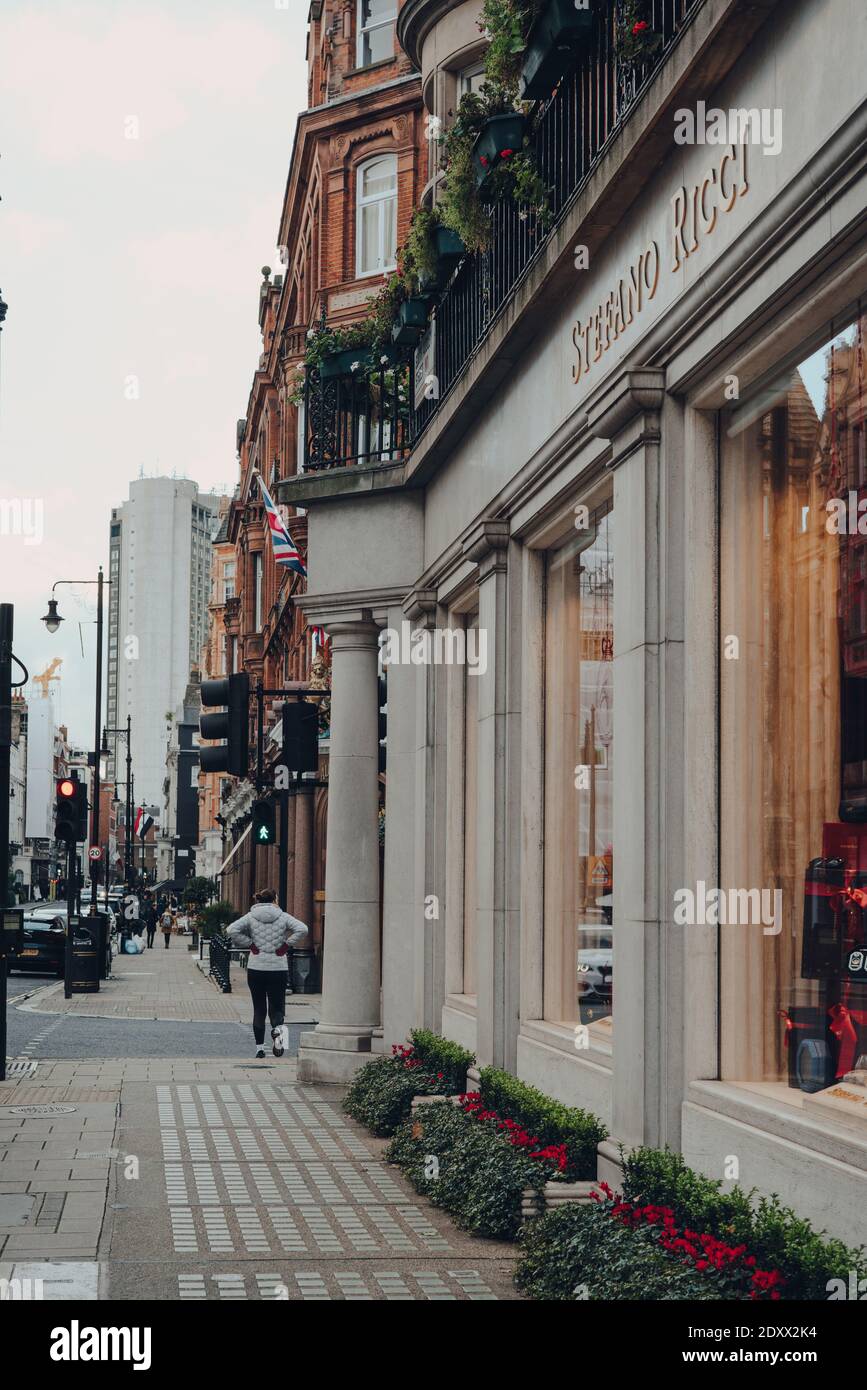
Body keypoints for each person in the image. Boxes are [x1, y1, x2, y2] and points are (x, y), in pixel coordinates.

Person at [227, 890, 308, 1059]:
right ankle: (279, 1044)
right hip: (278, 968)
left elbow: (231, 930)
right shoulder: (283, 916)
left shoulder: (251, 916)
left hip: (256, 967)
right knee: (277, 1008)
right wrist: (286, 945)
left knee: (258, 1008)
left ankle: (259, 1049)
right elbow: (303, 929)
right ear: (275, 899)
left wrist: (250, 944)